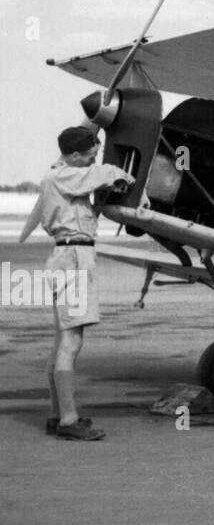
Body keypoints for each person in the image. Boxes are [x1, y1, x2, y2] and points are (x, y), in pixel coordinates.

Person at [18, 126, 134, 440]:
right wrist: (121, 174)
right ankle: (69, 420)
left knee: (62, 342)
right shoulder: (62, 175)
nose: (92, 162)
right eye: (89, 157)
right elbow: (102, 174)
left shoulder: (63, 180)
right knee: (71, 342)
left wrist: (99, 204)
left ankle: (58, 415)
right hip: (73, 260)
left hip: (69, 256)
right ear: (73, 156)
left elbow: (83, 210)